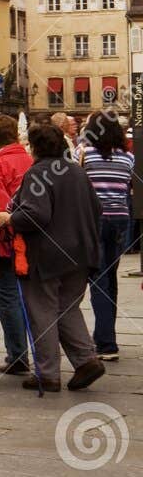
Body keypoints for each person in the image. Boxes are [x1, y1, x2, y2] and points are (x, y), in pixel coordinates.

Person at [4, 123, 104, 392]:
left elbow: (35, 215)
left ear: (34, 147)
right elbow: (97, 208)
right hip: (81, 251)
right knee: (67, 307)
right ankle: (86, 360)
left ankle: (48, 374)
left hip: (48, 255)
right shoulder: (76, 171)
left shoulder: (37, 173)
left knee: (43, 312)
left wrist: (9, 218)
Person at [80, 112, 134, 361]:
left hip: (95, 220)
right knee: (110, 278)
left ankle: (105, 343)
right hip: (121, 218)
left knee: (98, 279)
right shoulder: (128, 157)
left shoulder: (85, 153)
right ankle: (106, 336)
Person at [0, 114, 32, 375]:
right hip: (34, 240)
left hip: (8, 243)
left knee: (8, 296)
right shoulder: (31, 160)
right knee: (31, 297)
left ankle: (18, 354)